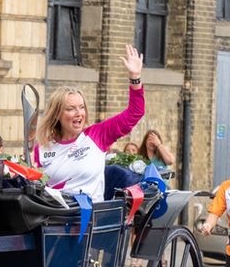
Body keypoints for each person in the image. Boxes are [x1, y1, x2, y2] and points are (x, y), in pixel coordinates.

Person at [32, 44, 145, 201]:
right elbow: (35, 186)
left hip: (88, 218)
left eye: (82, 107)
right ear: (57, 114)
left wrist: (135, 77)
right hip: (52, 218)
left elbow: (135, 113)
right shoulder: (42, 148)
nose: (79, 113)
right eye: (71, 108)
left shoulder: (97, 135)